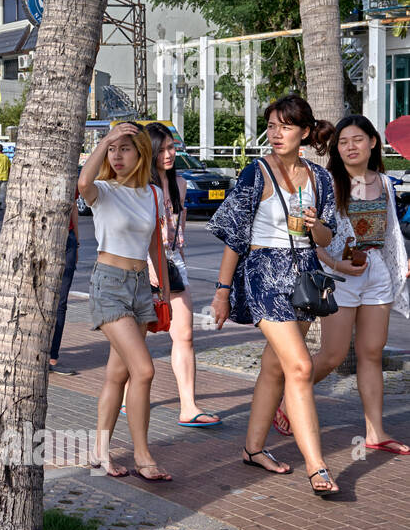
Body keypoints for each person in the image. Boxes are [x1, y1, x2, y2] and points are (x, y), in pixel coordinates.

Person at [208, 95, 340, 495]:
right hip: (264, 273)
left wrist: (316, 224)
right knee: (300, 366)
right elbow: (234, 235)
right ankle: (317, 467)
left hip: (304, 278)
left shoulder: (321, 178)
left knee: (275, 367)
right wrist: (221, 291)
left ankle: (252, 449)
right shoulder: (256, 171)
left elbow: (327, 236)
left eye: (285, 126)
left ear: (304, 132)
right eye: (271, 125)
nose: (276, 133)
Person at [272, 115, 408, 455]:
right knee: (332, 355)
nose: (351, 147)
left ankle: (375, 432)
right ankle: (288, 399)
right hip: (337, 275)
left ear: (373, 143)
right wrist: (336, 263)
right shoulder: (327, 183)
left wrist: (399, 265)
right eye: (344, 142)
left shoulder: (386, 183)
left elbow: (391, 234)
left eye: (358, 140)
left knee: (371, 353)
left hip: (376, 272)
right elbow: (310, 237)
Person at [78, 122, 170, 481]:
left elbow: (154, 244)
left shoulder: (152, 194)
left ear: (141, 153)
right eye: (113, 150)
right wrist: (105, 139)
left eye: (125, 149)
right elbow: (82, 184)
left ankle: (100, 453)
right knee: (143, 370)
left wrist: (162, 289)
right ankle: (143, 455)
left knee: (117, 373)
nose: (117, 156)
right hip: (109, 284)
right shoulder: (102, 190)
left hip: (140, 287)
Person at [146, 122, 221, 427]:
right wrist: (151, 268)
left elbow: (178, 231)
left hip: (173, 264)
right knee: (135, 340)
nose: (168, 154)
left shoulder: (180, 183)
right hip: (143, 265)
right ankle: (126, 396)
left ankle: (188, 406)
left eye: (171, 148)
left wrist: (179, 268)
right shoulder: (140, 185)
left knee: (185, 335)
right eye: (161, 149)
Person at [48, 188, 80, 373]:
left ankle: (53, 355)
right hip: (45, 238)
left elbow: (73, 207)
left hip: (67, 240)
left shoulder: (69, 178)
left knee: (61, 302)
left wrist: (76, 242)